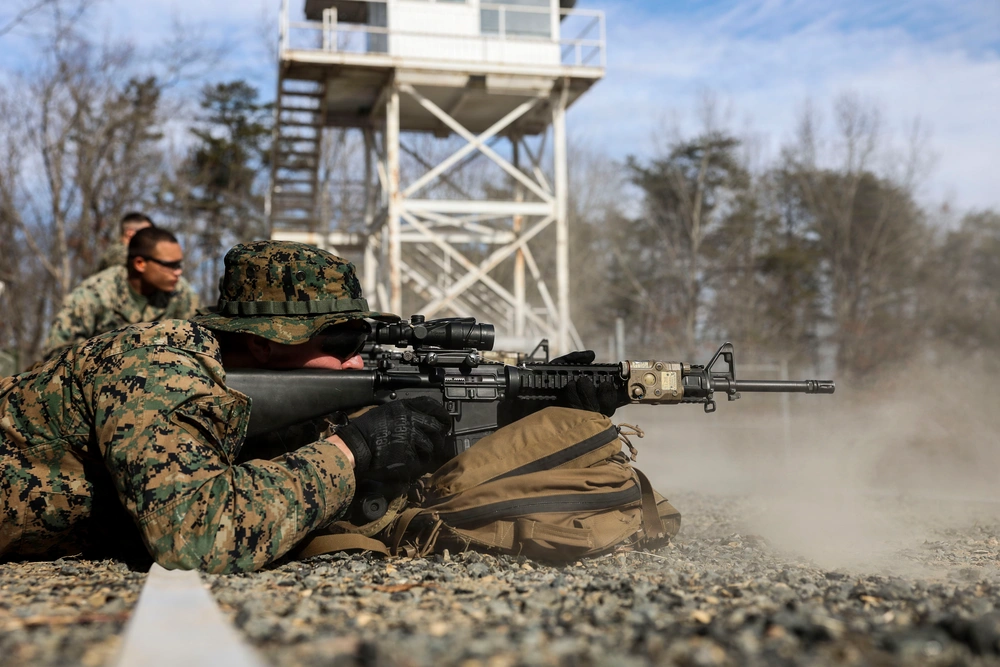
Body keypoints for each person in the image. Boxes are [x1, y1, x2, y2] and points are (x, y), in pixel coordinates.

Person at [0, 241, 453, 574]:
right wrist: (350, 449)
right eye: (342, 343)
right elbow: (195, 536)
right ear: (261, 344)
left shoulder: (230, 383)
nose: (355, 362)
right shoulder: (158, 366)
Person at [40, 227, 200, 361]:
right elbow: (56, 356)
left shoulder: (182, 294)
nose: (178, 272)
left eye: (179, 264)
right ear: (140, 263)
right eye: (170, 265)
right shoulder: (94, 294)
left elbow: (199, 349)